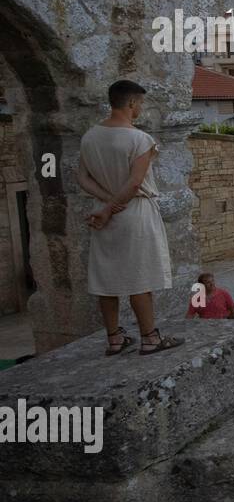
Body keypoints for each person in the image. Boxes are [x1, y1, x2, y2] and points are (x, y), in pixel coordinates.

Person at [76, 79, 183, 356]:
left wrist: (105, 203)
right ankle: (149, 338)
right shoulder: (139, 139)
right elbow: (135, 183)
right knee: (140, 278)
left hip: (103, 212)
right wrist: (111, 206)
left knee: (106, 279)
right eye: (141, 103)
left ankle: (114, 339)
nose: (141, 108)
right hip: (133, 212)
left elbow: (82, 178)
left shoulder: (89, 136)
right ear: (132, 103)